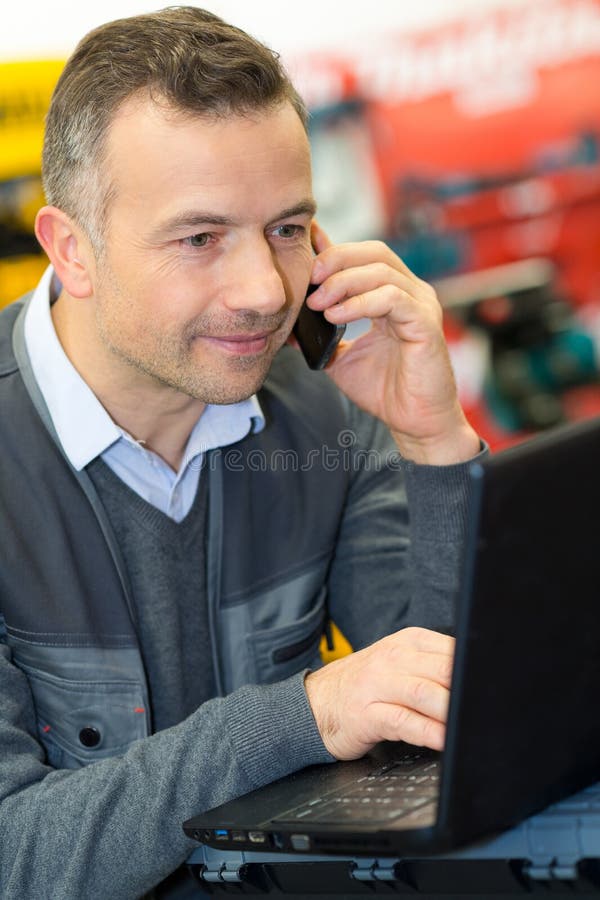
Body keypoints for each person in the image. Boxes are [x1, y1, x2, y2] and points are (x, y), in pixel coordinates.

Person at [0, 7, 484, 899]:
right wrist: (299, 719)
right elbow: (14, 857)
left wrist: (433, 441)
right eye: (200, 238)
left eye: (288, 229)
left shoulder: (322, 409)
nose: (265, 291)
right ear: (73, 250)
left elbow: (460, 704)